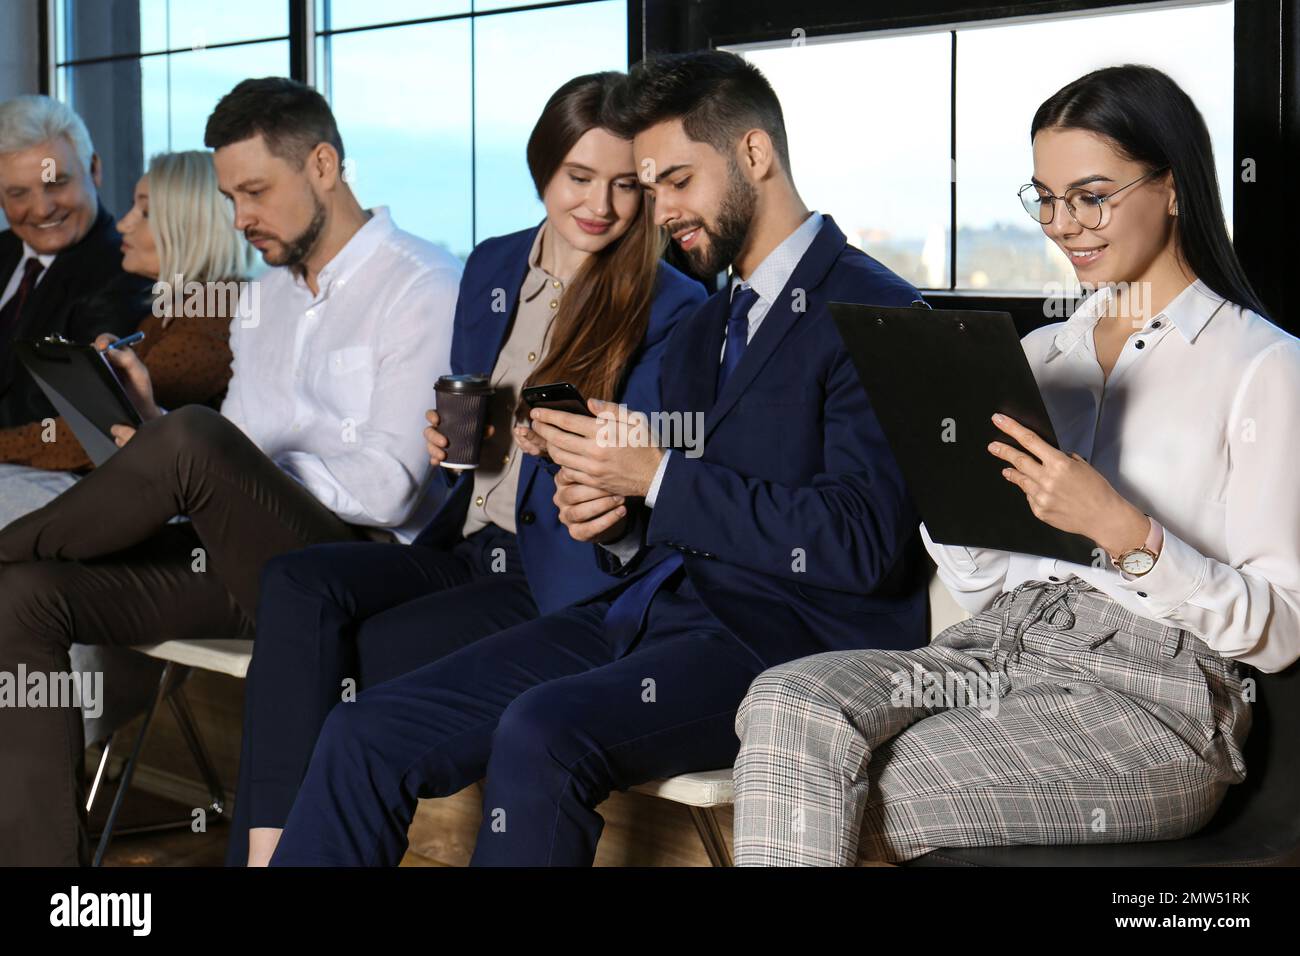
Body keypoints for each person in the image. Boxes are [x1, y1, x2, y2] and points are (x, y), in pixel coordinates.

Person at [268, 50, 928, 867]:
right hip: (645, 612)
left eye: (677, 181)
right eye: (652, 189)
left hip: (783, 641)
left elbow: (863, 542)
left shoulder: (881, 311)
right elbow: (669, 510)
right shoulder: (705, 327)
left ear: (754, 154)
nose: (660, 210)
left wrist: (653, 476)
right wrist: (612, 515)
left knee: (542, 733)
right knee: (364, 729)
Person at [731, 64, 1298, 866]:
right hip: (1001, 651)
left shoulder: (1264, 367)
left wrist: (1125, 531)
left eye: (1092, 195)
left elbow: (1280, 632)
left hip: (1152, 703)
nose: (1064, 225)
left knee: (818, 784)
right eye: (1046, 199)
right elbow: (987, 587)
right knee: (786, 700)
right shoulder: (1038, 357)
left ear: (1172, 188)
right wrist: (947, 491)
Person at [231, 71, 706, 866]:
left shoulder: (670, 306)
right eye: (578, 178)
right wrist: (465, 448)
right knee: (297, 585)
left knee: (341, 671)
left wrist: (588, 472)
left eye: (628, 186)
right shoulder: (491, 268)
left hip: (555, 579)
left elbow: (645, 484)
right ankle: (267, 853)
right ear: (542, 170)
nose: (602, 205)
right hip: (464, 547)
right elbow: (473, 441)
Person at [0, 77, 460, 866]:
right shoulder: (262, 301)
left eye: (255, 191)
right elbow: (226, 449)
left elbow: (390, 485)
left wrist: (223, 463)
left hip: (358, 563)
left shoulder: (424, 285)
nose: (240, 216)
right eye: (229, 195)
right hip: (241, 559)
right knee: (23, 597)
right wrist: (149, 431)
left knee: (193, 439)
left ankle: (9, 539)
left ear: (323, 165)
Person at [0, 149, 255, 524]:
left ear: (188, 225)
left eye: (145, 213)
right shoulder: (174, 309)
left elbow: (106, 426)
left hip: (176, 511)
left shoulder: (217, 309)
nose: (123, 224)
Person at [0, 94, 150, 428]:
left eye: (57, 183)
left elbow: (54, 412)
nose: (42, 209)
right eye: (18, 193)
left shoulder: (126, 271)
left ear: (94, 169)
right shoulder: (4, 250)